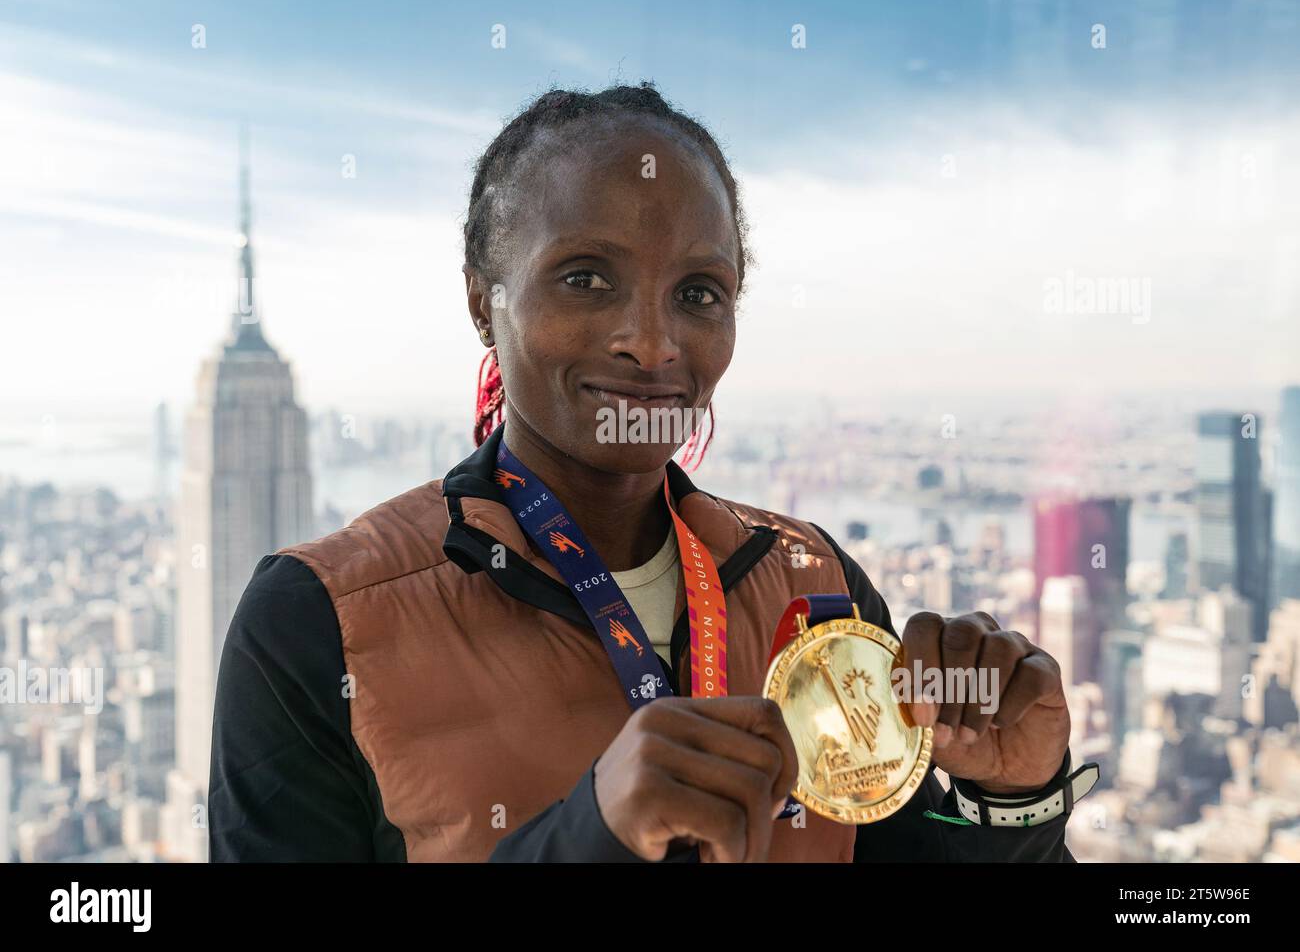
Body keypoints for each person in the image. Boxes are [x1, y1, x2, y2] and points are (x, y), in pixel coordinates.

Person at [209, 82, 1081, 863]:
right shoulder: (321, 621)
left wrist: (1017, 801)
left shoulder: (815, 585)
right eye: (586, 278)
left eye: (699, 293)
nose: (654, 343)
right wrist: (587, 838)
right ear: (485, 301)